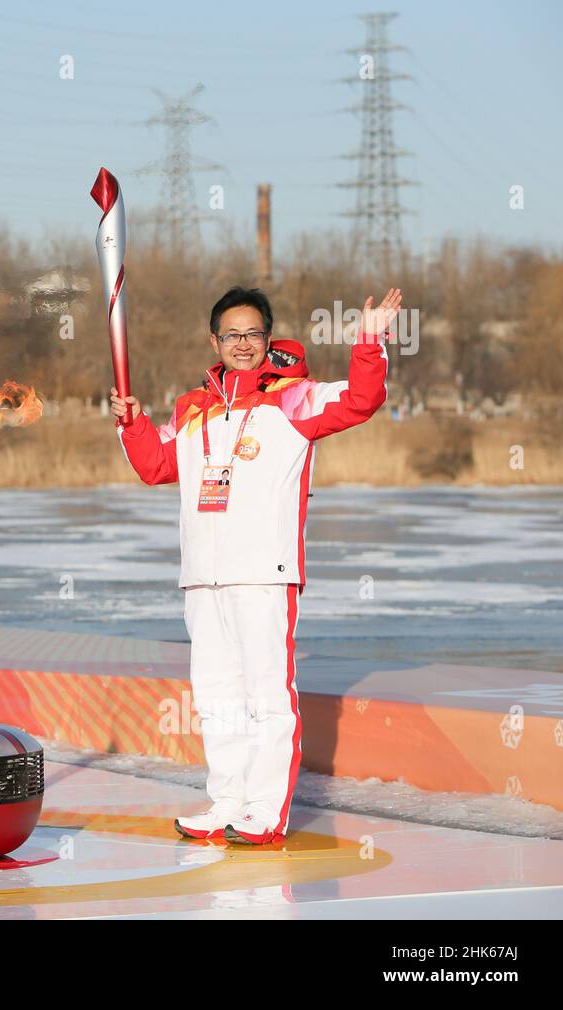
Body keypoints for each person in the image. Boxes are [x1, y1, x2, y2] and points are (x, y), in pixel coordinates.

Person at [111, 285, 400, 844]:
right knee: (216, 695)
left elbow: (363, 401)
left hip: (264, 572)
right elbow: (154, 466)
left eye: (253, 334)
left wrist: (369, 338)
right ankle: (228, 801)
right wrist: (133, 422)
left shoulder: (294, 399)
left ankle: (266, 810)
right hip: (203, 576)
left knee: (266, 695)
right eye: (232, 334)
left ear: (267, 339)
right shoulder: (192, 410)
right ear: (213, 340)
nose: (242, 344)